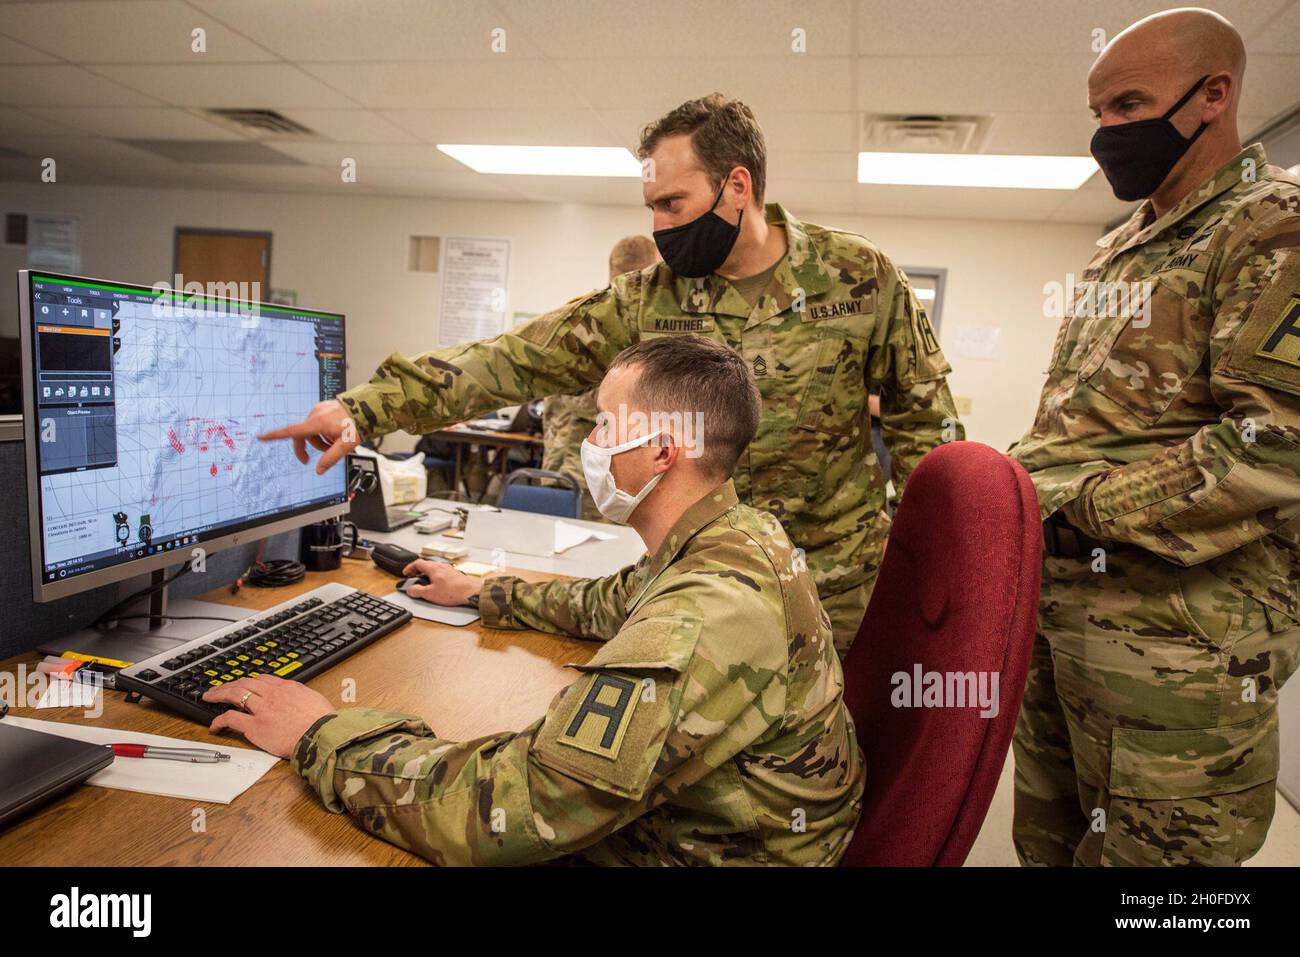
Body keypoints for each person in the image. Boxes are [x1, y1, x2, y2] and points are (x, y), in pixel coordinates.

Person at [261, 93, 963, 655]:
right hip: (693, 578)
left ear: (737, 186)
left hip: (835, 587)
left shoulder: (859, 276)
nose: (659, 228)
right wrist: (370, 407)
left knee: (822, 770)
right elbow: (515, 358)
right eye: (650, 208)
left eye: (673, 205)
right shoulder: (649, 298)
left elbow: (927, 426)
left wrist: (925, 565)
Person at [202, 335, 864, 866]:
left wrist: (321, 735)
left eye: (607, 422)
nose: (592, 441)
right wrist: (485, 591)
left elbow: (512, 811)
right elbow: (612, 600)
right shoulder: (737, 533)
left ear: (662, 448)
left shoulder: (704, 615)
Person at [1010, 7, 1300, 866]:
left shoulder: (1272, 226)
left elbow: (1275, 443)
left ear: (1213, 95)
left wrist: (1069, 505)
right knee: (1052, 848)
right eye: (1099, 112)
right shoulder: (1120, 247)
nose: (1108, 132)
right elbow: (1081, 422)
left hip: (1183, 652)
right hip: (1065, 621)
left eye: (1129, 107)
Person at [543, 235, 660, 520]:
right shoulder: (589, 320)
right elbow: (579, 398)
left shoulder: (643, 323)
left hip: (616, 475)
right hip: (575, 468)